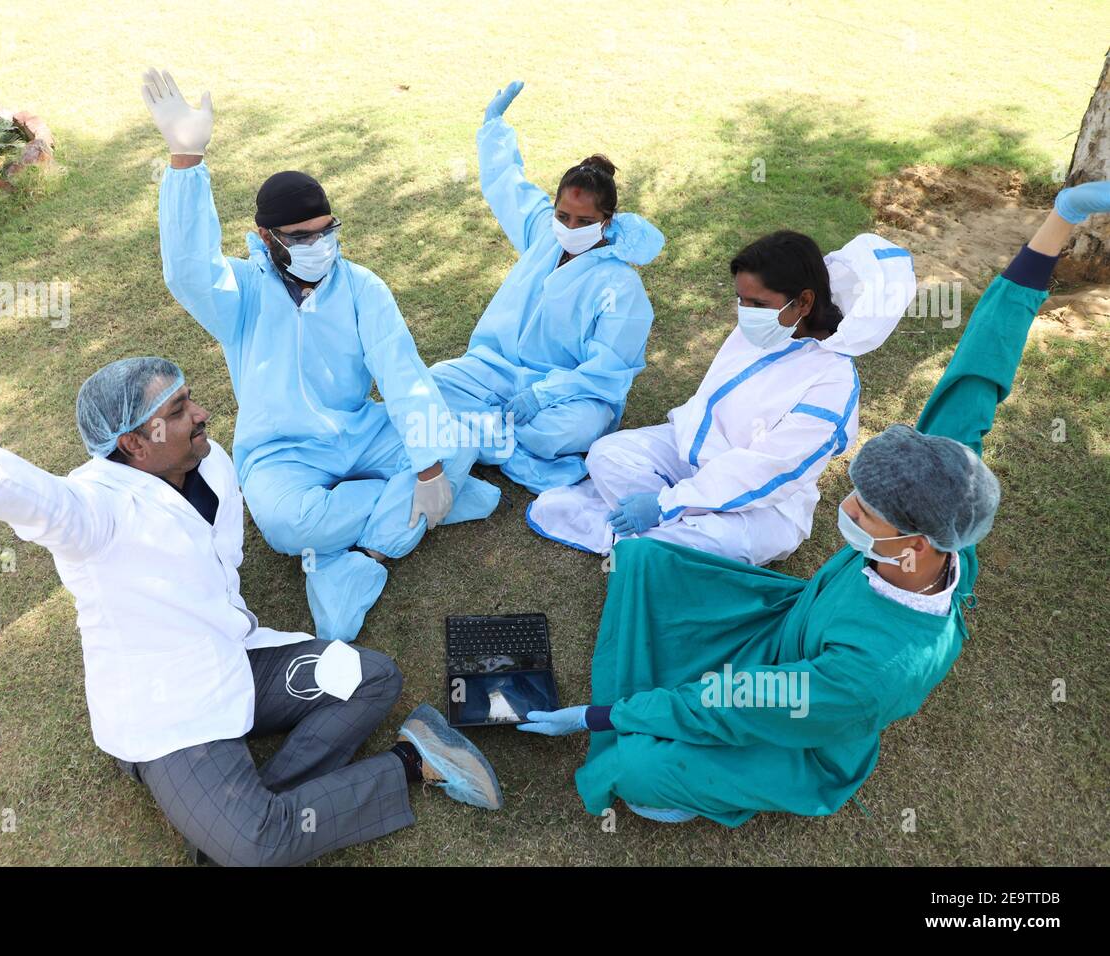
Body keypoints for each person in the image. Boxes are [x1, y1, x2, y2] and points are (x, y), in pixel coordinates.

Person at [516, 180, 1110, 827]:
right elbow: (983, 364)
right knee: (645, 563)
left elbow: (738, 704)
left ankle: (681, 767)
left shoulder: (875, 669)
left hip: (796, 725)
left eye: (864, 512)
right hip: (788, 629)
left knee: (642, 777)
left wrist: (603, 716)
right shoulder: (944, 498)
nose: (846, 509)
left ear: (912, 545)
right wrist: (1060, 220)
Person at [0, 357, 505, 866]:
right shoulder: (99, 509)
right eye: (175, 413)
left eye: (188, 401)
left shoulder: (212, 464)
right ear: (132, 444)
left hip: (237, 654)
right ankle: (412, 767)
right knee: (259, 846)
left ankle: (234, 817)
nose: (199, 414)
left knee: (371, 676)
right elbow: (37, 501)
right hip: (169, 710)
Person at [143, 67, 500, 643]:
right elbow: (187, 270)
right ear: (266, 239)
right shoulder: (241, 294)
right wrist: (186, 160)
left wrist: (431, 467)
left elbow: (405, 378)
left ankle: (360, 557)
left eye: (326, 230)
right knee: (285, 525)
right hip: (283, 452)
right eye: (302, 237)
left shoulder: (363, 288)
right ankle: (404, 510)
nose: (320, 245)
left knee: (453, 446)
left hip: (361, 430)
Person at [528, 229, 915, 564]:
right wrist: (681, 496)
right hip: (692, 455)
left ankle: (657, 529)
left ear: (804, 302)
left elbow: (766, 471)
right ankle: (659, 530)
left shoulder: (833, 383)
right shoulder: (769, 328)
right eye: (741, 299)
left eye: (757, 304)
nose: (744, 312)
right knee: (607, 455)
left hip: (763, 507)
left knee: (691, 539)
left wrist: (665, 504)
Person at [429, 80, 666, 493]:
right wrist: (493, 128)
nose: (570, 227)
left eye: (585, 222)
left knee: (565, 430)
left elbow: (606, 371)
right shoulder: (544, 231)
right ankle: (499, 438)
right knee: (435, 381)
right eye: (563, 215)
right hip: (499, 369)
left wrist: (544, 395)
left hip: (572, 393)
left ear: (608, 220)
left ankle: (474, 433)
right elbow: (508, 185)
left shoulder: (621, 287)